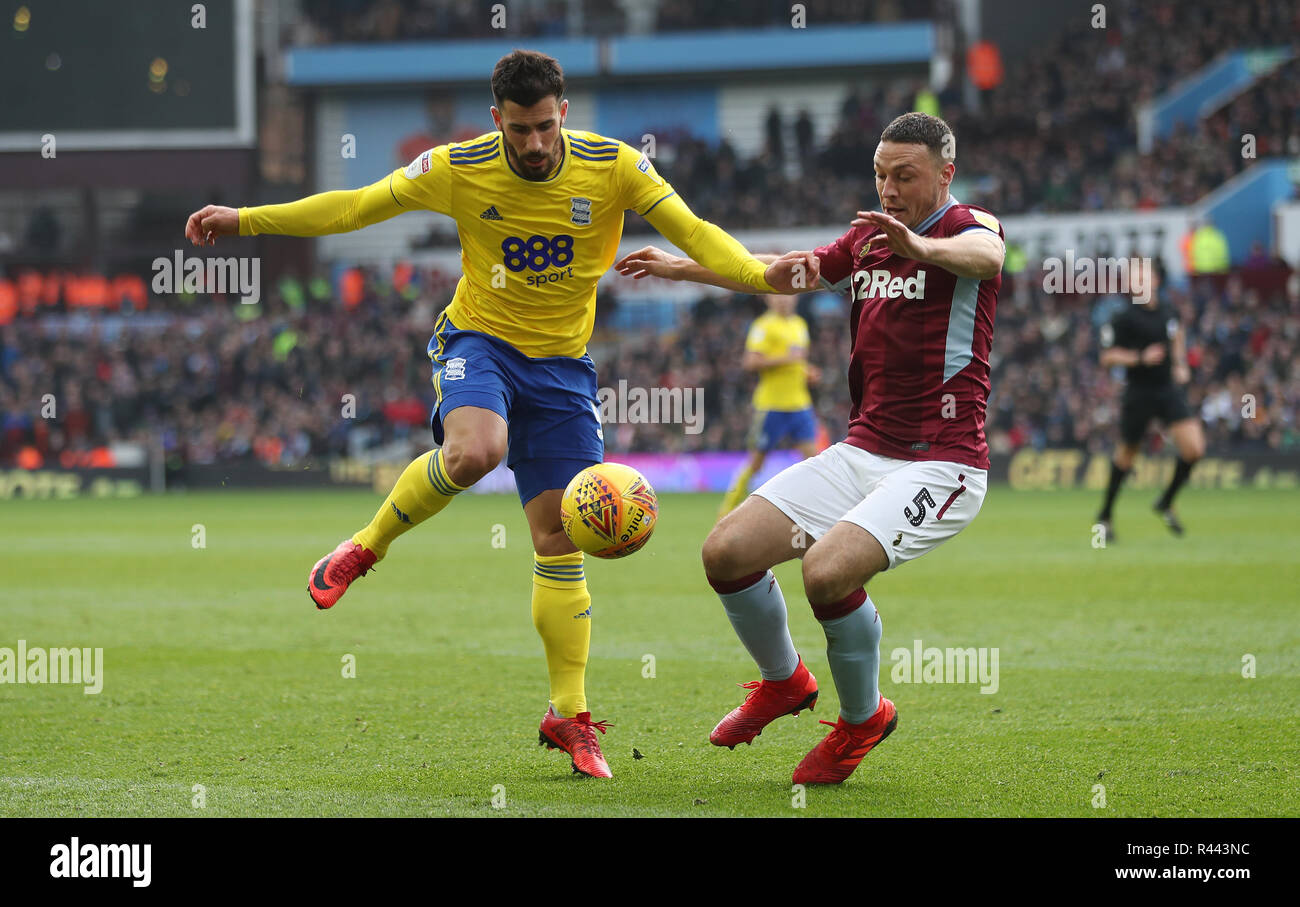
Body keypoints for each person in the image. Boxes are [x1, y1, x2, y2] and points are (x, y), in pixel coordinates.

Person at [183, 50, 813, 779]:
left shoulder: (616, 167)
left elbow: (697, 232)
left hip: (563, 371)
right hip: (479, 342)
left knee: (561, 535)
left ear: (564, 114)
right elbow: (355, 206)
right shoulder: (458, 165)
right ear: (497, 121)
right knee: (475, 452)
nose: (536, 143)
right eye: (521, 129)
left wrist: (765, 271)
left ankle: (569, 716)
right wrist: (246, 221)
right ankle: (365, 545)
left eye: (546, 126)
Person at [616, 112, 1004, 784]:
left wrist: (920, 247)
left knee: (826, 571)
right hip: (863, 451)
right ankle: (785, 682)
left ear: (945, 173)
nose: (888, 187)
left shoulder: (970, 227)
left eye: (903, 175)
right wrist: (686, 268)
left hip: (944, 461)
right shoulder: (866, 240)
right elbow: (785, 274)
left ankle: (862, 720)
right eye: (880, 173)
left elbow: (987, 258)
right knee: (725, 551)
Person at [1095, 258, 1205, 541]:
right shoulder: (1123, 318)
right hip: (1139, 392)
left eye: (1143, 275)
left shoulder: (1169, 311)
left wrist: (1180, 363)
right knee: (1126, 456)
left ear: (1156, 280)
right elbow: (1107, 357)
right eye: (1133, 277)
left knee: (1194, 449)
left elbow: (1176, 334)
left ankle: (1166, 501)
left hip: (1167, 389)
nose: (1138, 281)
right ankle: (1105, 516)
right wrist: (1139, 358)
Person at [717, 294, 822, 517]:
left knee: (814, 462)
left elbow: (797, 361)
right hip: (771, 405)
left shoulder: (799, 324)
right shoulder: (763, 326)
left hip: (800, 404)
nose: (783, 300)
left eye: (788, 295)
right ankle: (726, 512)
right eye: (777, 296)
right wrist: (787, 359)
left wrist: (806, 371)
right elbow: (750, 362)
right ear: (768, 299)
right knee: (756, 463)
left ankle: (813, 513)